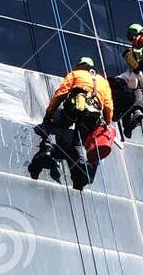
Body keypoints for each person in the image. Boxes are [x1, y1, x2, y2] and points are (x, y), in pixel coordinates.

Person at [29, 56, 115, 189]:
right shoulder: (103, 82)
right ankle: (82, 165)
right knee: (79, 141)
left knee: (56, 127)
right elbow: (108, 105)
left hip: (74, 109)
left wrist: (49, 114)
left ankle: (47, 150)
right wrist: (107, 123)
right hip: (92, 116)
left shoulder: (75, 74)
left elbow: (60, 93)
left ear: (81, 65)